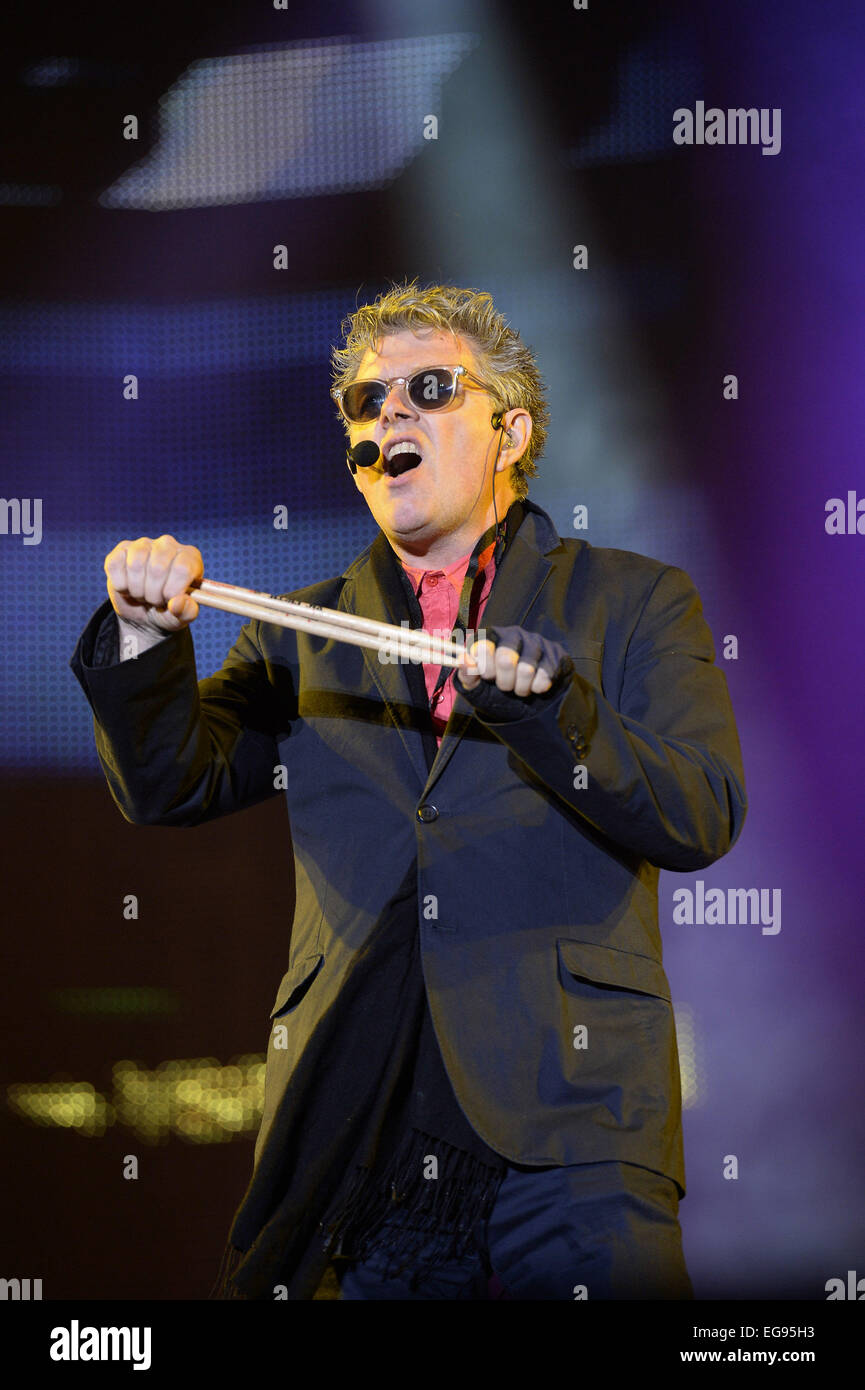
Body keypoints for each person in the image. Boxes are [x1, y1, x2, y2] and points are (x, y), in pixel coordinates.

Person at [70, 280, 747, 1301]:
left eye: (428, 387)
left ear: (509, 430)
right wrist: (144, 635)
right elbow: (171, 784)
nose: (388, 412)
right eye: (365, 402)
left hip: (570, 1134)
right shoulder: (298, 630)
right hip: (359, 1131)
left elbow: (698, 812)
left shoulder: (632, 599)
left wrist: (550, 712)